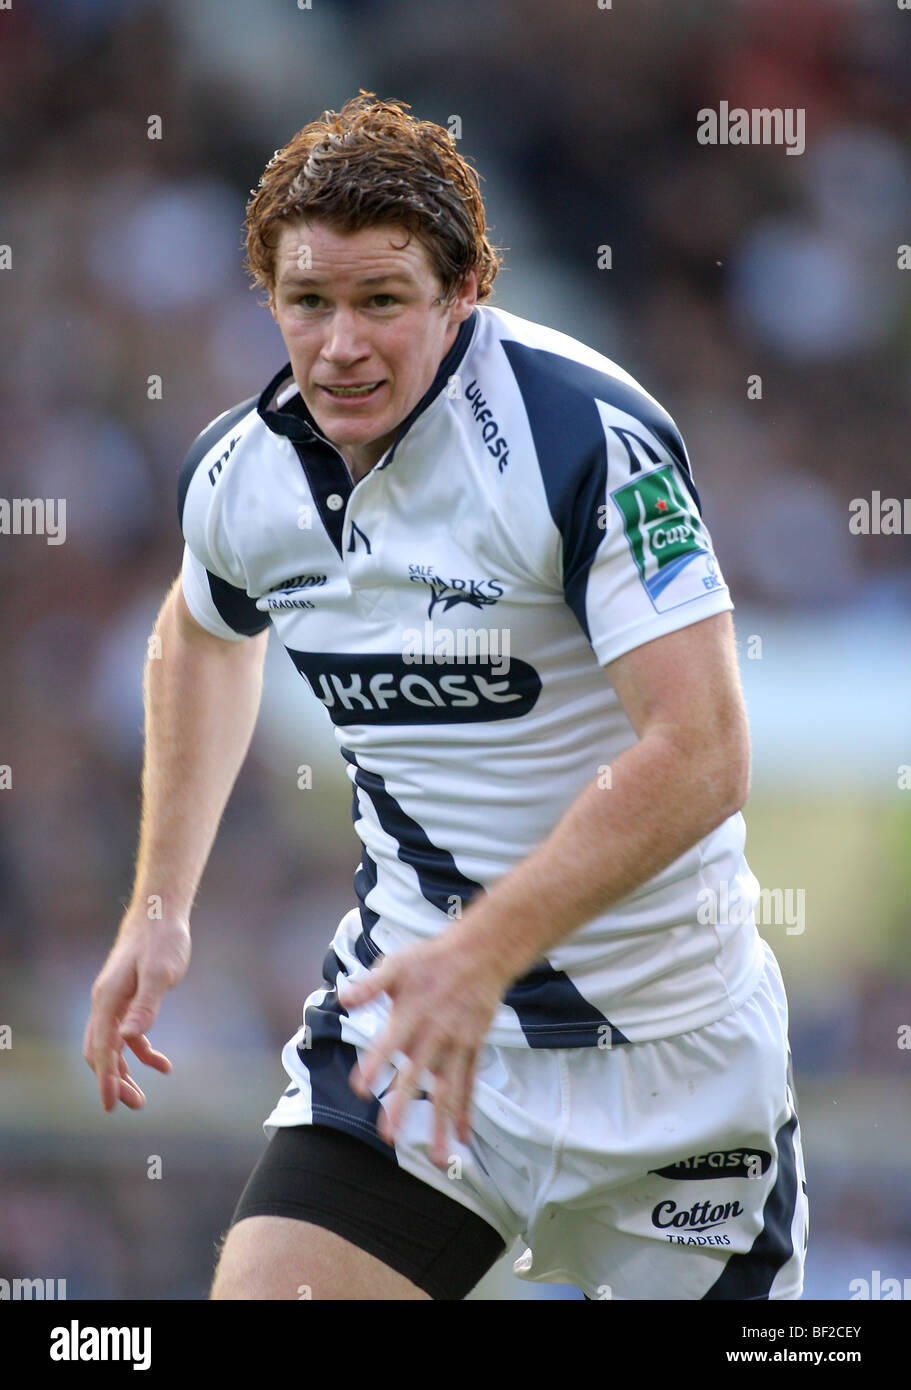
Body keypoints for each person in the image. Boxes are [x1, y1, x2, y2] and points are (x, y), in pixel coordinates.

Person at [83, 91, 808, 1301]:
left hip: (674, 1065)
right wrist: (160, 901)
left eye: (381, 301)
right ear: (268, 296)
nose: (339, 346)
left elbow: (700, 751)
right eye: (307, 304)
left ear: (463, 289)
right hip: (411, 1033)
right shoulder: (240, 474)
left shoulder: (585, 437)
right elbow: (201, 634)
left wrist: (488, 951)